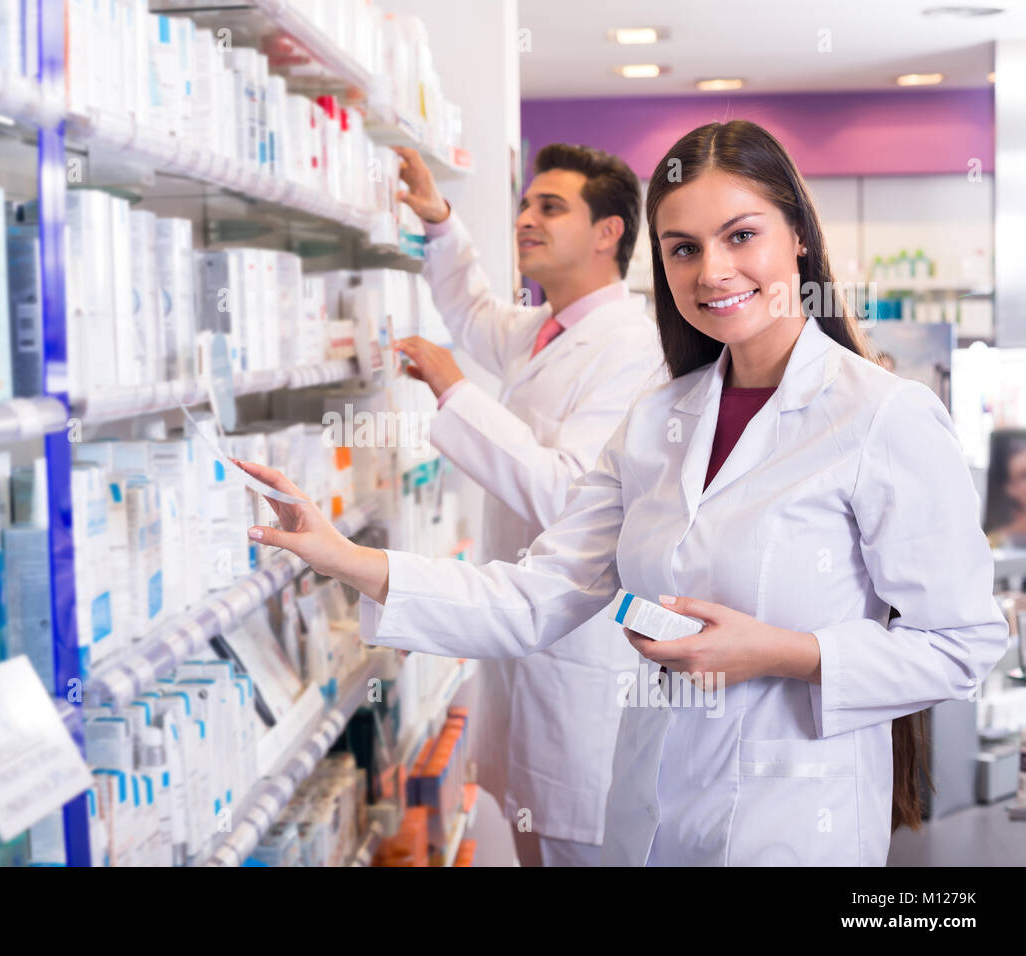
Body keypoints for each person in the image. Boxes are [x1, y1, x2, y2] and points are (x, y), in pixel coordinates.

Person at [234, 120, 1008, 866]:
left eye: (742, 235)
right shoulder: (658, 418)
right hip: (647, 813)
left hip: (796, 823)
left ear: (797, 234)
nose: (712, 271)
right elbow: (540, 594)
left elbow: (962, 644)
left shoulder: (881, 416)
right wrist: (344, 556)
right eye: (683, 248)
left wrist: (781, 653)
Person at [387, 143, 665, 867]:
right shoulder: (545, 329)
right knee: (533, 838)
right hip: (522, 645)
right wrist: (441, 222)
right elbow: (474, 310)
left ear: (609, 232)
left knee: (575, 847)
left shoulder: (630, 346)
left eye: (551, 207)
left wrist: (456, 393)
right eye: (524, 204)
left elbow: (571, 493)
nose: (525, 220)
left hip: (574, 653)